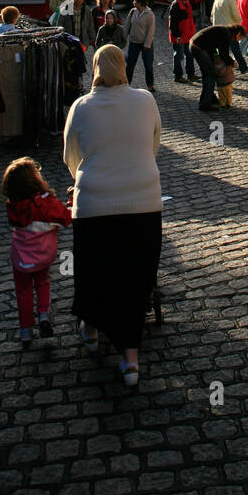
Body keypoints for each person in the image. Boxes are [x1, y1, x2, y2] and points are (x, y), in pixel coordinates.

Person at [63, 45, 162, 387]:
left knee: (95, 273)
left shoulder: (81, 106)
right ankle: (130, 360)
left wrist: (88, 176)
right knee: (136, 280)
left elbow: (70, 156)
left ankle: (91, 327)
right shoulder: (145, 100)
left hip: (95, 205)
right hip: (143, 202)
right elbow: (153, 145)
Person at [3, 156, 72, 344]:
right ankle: (43, 314)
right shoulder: (46, 204)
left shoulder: (13, 206)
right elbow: (66, 217)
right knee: (43, 282)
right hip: (43, 255)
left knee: (23, 291)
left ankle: (25, 329)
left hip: (20, 257)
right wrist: (72, 200)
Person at [189, 23, 243, 111]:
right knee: (210, 76)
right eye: (239, 38)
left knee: (207, 74)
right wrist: (232, 62)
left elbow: (219, 50)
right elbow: (223, 54)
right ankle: (205, 104)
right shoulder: (225, 34)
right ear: (238, 33)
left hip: (196, 45)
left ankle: (210, 97)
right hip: (199, 48)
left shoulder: (224, 31)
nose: (237, 40)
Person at [211, 0, 248, 74]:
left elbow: (212, 14)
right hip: (229, 28)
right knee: (235, 49)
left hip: (218, 27)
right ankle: (243, 67)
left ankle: (224, 68)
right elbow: (235, 14)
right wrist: (239, 23)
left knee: (222, 50)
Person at [124, 0, 156, 91]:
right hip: (134, 42)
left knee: (148, 65)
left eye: (135, 1)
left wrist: (147, 44)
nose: (133, 3)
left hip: (145, 44)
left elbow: (151, 31)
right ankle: (126, 84)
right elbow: (127, 26)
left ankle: (150, 85)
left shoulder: (149, 14)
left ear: (140, 2)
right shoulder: (132, 12)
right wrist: (123, 38)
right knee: (130, 64)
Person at [168, 0, 197, 82]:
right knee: (178, 56)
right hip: (179, 36)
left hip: (188, 35)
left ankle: (191, 74)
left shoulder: (186, 3)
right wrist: (177, 36)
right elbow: (173, 24)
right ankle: (178, 76)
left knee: (189, 55)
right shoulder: (175, 6)